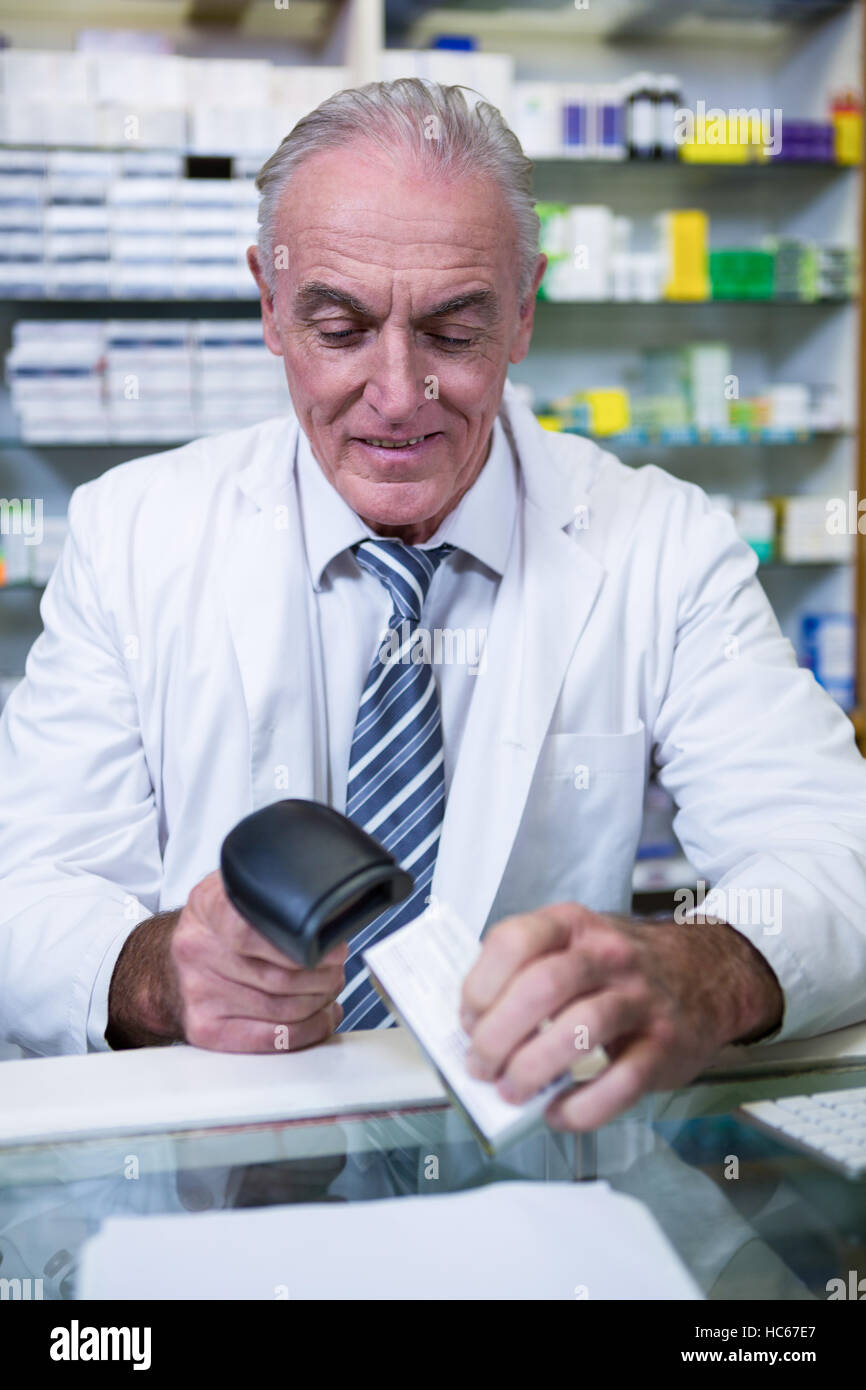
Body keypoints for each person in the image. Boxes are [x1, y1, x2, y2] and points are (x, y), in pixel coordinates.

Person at [1, 80, 865, 1136]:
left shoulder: (659, 545)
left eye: (454, 332)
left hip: (533, 1159)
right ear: (268, 306)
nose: (398, 393)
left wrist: (709, 967)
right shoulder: (133, 531)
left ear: (524, 312)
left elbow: (835, 852)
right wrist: (158, 972)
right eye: (340, 327)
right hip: (209, 1155)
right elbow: (27, 885)